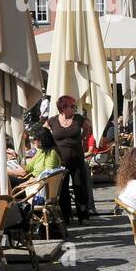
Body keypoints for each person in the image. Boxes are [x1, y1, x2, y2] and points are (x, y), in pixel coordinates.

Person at [48, 95, 92, 224]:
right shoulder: (53, 121)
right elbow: (44, 132)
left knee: (80, 187)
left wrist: (81, 140)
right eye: (72, 106)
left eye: (75, 106)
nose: (74, 109)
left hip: (77, 158)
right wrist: (52, 146)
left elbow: (88, 129)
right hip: (61, 161)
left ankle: (83, 216)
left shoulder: (78, 119)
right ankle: (65, 216)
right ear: (63, 108)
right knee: (63, 189)